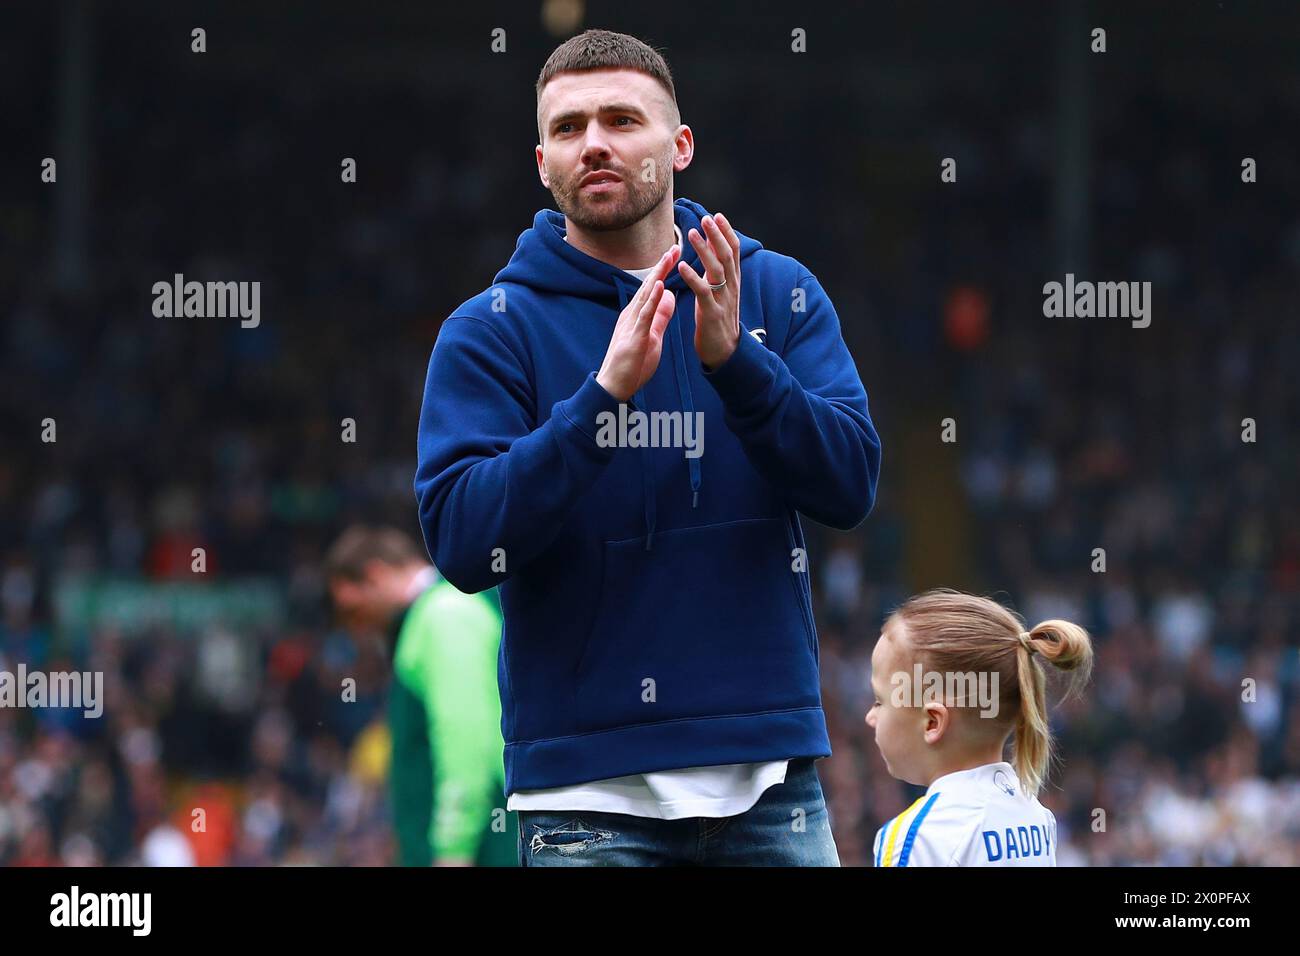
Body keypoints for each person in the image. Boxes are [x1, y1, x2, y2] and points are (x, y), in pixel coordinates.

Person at [415, 29, 881, 866]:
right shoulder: (488, 331)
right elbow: (460, 541)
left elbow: (849, 485)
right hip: (583, 805)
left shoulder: (777, 290)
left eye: (622, 119)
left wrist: (740, 366)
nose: (593, 142)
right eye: (568, 128)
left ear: (681, 145)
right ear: (542, 162)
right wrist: (599, 405)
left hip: (770, 787)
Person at [325, 525, 516, 866]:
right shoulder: (440, 611)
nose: (356, 628)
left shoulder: (444, 613)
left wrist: (453, 853)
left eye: (353, 611)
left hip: (486, 848)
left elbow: (467, 741)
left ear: (376, 575)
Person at [866, 589, 1093, 866]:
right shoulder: (1037, 816)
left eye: (880, 701)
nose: (870, 716)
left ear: (933, 722)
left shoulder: (916, 837)